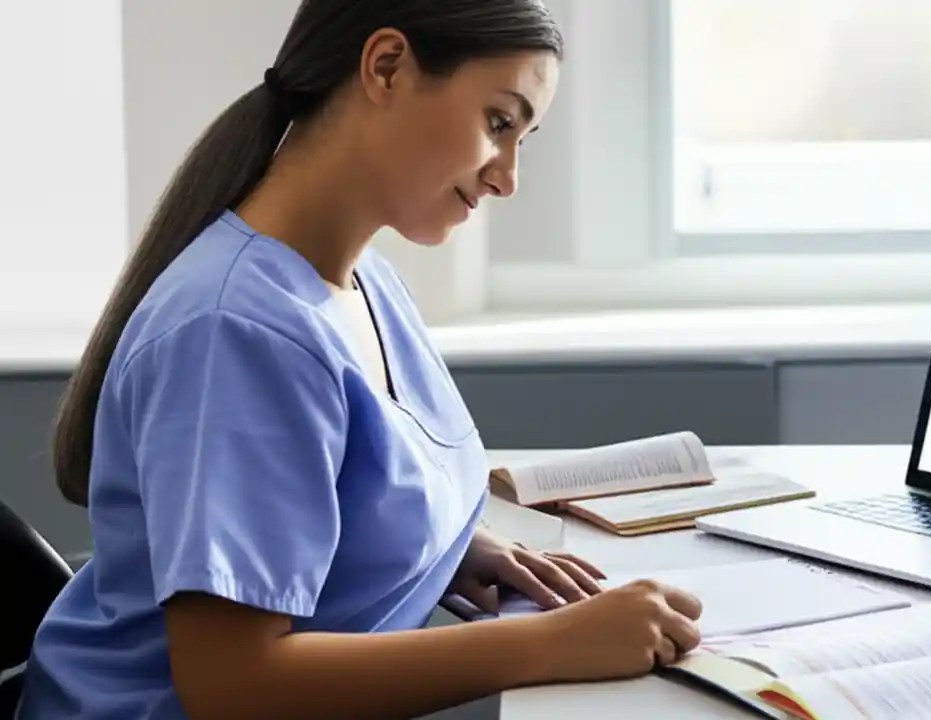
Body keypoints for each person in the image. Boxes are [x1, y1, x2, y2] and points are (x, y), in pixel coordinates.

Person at [19, 1, 702, 717]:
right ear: (385, 68)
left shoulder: (364, 281)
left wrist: (447, 546)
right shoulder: (234, 331)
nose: (507, 178)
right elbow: (233, 683)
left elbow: (346, 485)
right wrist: (557, 644)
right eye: (499, 124)